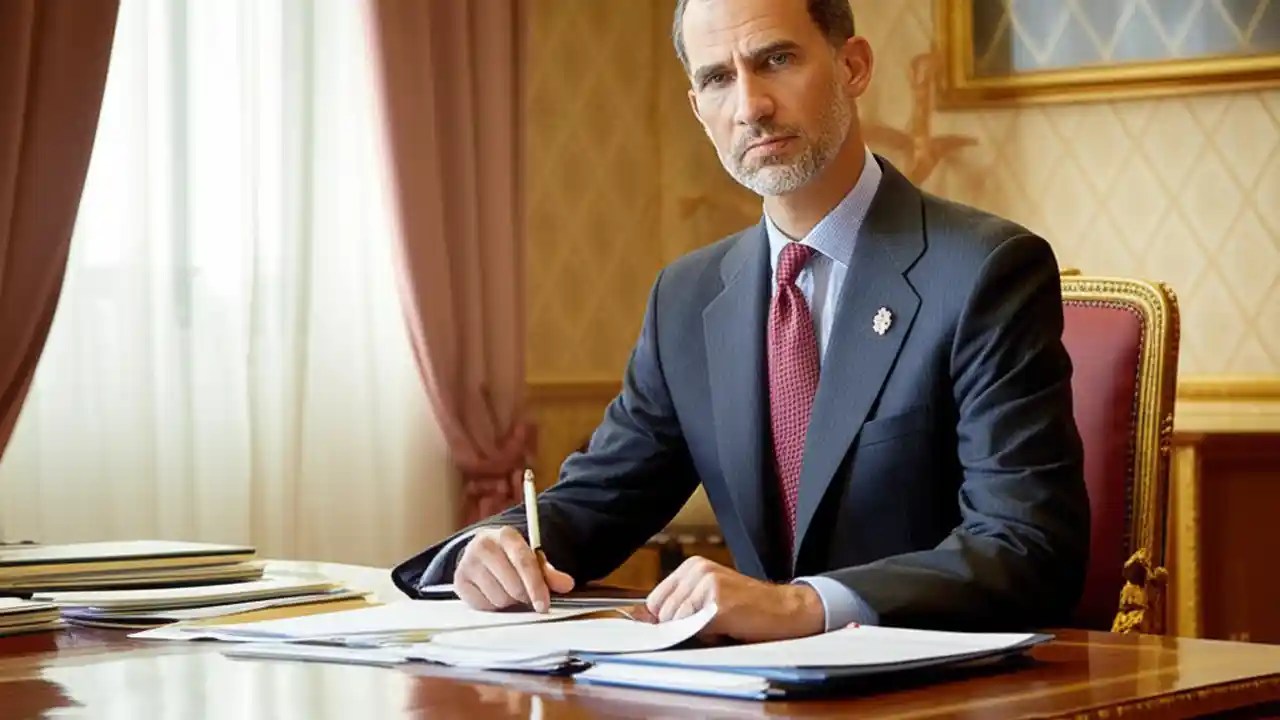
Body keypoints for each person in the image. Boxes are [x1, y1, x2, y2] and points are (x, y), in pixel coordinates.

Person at [391, 0, 1089, 642]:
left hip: (943, 692)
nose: (750, 105)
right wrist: (493, 550)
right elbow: (597, 501)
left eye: (776, 60)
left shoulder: (984, 270)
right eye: (719, 79)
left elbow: (1026, 547)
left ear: (853, 66)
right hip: (746, 692)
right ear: (698, 108)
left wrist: (801, 604)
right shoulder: (688, 297)